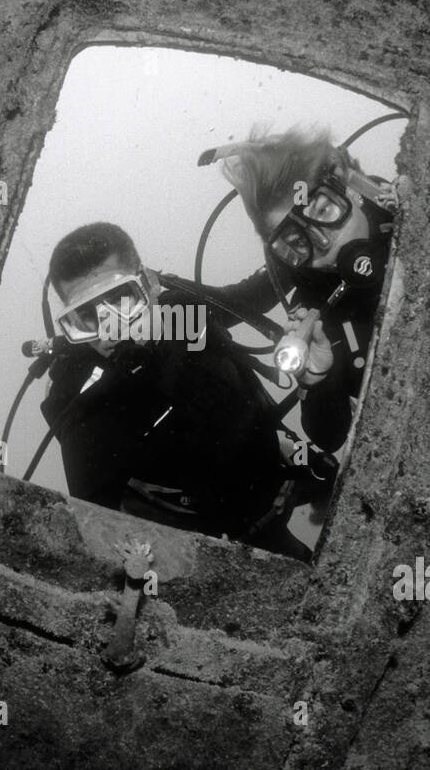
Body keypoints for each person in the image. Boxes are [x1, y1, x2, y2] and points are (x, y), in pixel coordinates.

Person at [40, 221, 328, 555]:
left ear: (148, 285)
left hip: (277, 473)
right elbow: (98, 520)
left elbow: (252, 295)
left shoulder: (184, 316)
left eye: (120, 298)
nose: (111, 328)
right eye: (86, 316)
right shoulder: (73, 391)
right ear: (70, 325)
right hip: (204, 548)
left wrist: (301, 233)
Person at [202, 124, 397, 454]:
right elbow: (328, 437)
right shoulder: (317, 317)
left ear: (349, 186)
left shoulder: (406, 205)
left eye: (323, 210)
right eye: (296, 241)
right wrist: (317, 379)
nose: (323, 242)